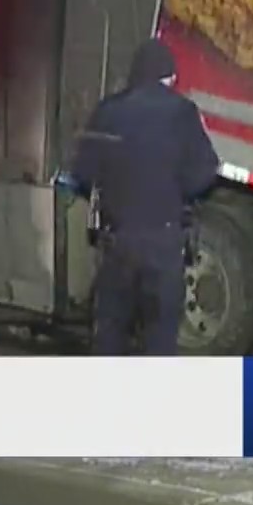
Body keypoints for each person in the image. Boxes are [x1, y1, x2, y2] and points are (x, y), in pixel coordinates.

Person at [60, 39, 221, 356]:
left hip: (118, 243)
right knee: (160, 337)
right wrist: (177, 192)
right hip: (164, 243)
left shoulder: (109, 111)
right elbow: (205, 173)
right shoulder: (183, 113)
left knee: (111, 333)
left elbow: (82, 172)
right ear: (169, 77)